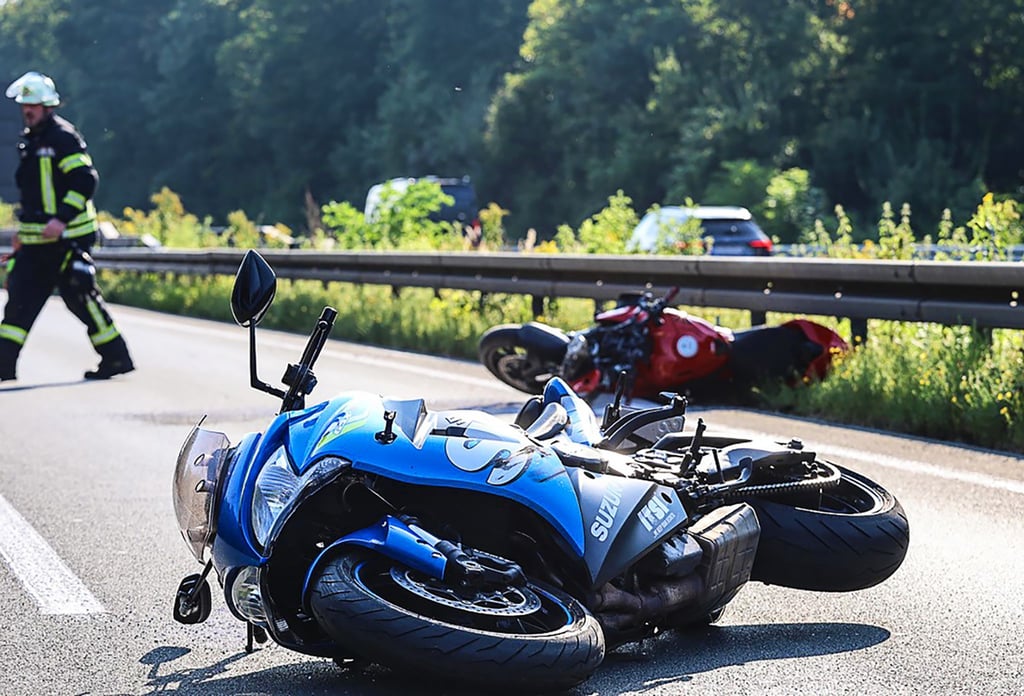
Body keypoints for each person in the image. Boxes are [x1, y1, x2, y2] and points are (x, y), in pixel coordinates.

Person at [0, 71, 134, 381]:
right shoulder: (31, 142)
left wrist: (61, 219)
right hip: (36, 244)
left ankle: (116, 358)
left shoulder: (63, 138)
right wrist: (26, 231)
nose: (26, 111)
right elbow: (35, 196)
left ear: (48, 107)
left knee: (81, 300)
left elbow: (86, 180)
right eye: (24, 106)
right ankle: (3, 366)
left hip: (67, 242)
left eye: (32, 105)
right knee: (19, 301)